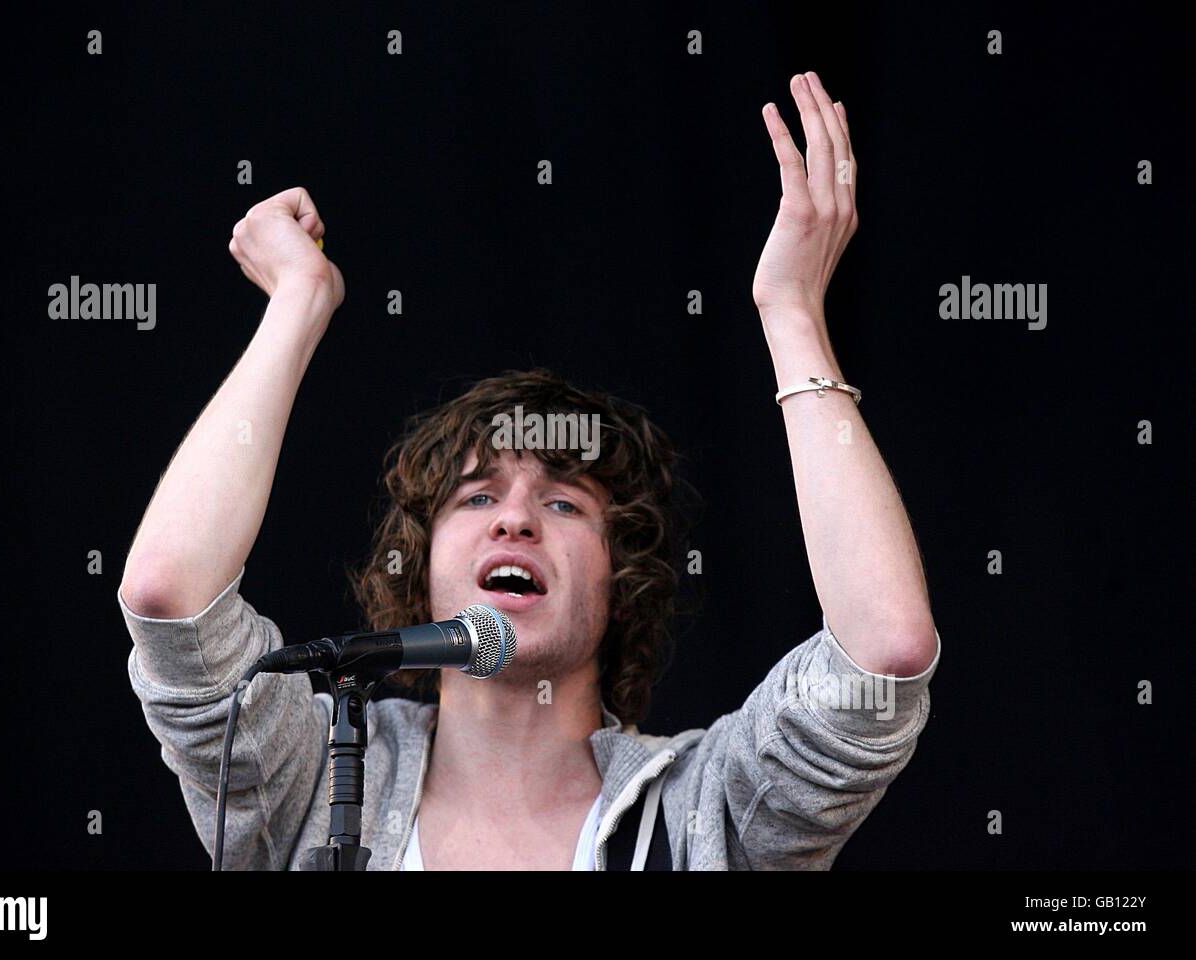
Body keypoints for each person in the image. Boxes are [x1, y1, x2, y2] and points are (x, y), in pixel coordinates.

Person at [117, 70, 941, 870]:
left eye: (565, 504)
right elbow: (170, 599)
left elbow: (884, 650)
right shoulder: (322, 780)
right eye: (477, 496)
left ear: (625, 580)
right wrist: (297, 302)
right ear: (423, 563)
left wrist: (792, 310)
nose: (515, 519)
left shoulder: (707, 812)